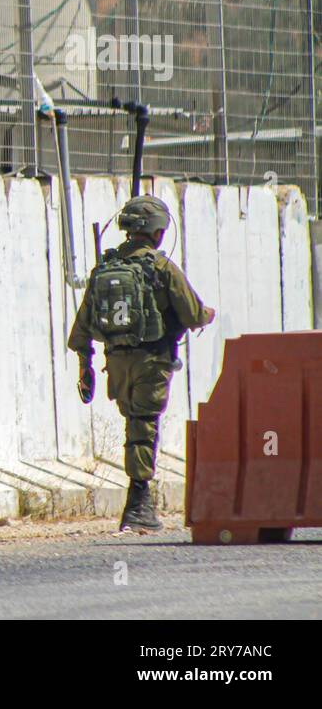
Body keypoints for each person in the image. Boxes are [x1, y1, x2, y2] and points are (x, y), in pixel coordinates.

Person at [68, 194, 215, 532]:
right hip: (152, 360)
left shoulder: (104, 268)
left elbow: (82, 329)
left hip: (116, 363)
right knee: (143, 426)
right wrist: (208, 315)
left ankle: (137, 500)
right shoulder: (161, 267)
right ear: (158, 232)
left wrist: (85, 367)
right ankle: (139, 502)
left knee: (133, 424)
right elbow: (193, 313)